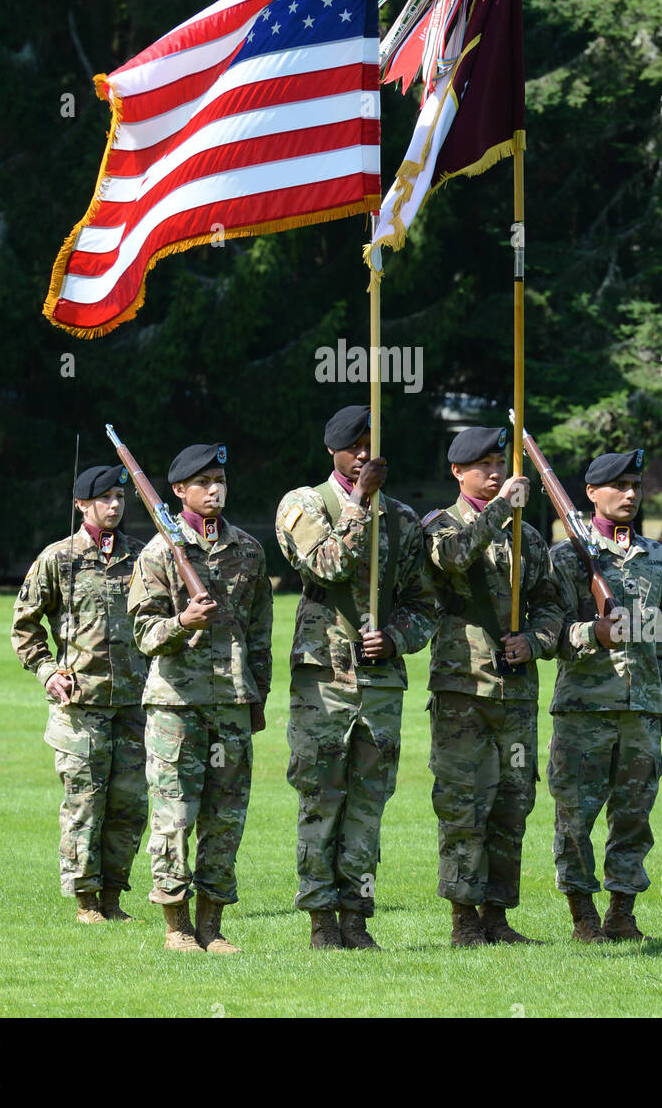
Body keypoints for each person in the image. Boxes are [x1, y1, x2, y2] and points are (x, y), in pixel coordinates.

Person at [275, 404, 435, 951]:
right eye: (353, 445)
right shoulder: (303, 504)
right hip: (324, 678)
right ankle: (321, 918)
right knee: (322, 797)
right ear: (333, 450)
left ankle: (356, 917)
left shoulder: (406, 519)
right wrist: (360, 503)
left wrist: (396, 636)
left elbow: (424, 604)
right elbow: (328, 565)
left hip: (381, 683)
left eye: (372, 444)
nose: (364, 454)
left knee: (369, 803)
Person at [422, 426, 566, 947]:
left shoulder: (527, 534)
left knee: (513, 802)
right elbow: (453, 557)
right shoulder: (440, 524)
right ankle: (463, 919)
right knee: (463, 805)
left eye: (500, 463)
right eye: (483, 466)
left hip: (516, 692)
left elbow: (551, 601)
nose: (496, 473)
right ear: (458, 472)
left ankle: (497, 916)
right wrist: (500, 509)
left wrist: (536, 640)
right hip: (463, 688)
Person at [128, 442, 272, 954]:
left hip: (231, 701)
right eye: (204, 483)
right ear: (179, 491)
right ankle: (175, 925)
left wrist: (258, 696)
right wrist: (181, 622)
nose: (215, 491)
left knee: (226, 816)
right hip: (176, 702)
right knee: (173, 814)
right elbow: (144, 633)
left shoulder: (250, 551)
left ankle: (212, 924)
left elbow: (259, 633)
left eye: (221, 482)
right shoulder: (157, 553)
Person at [546, 449, 662, 942]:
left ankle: (622, 912)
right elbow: (547, 633)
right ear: (591, 494)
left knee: (634, 817)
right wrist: (590, 635)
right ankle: (582, 915)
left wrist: (661, 701)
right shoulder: (565, 558)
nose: (630, 495)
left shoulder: (656, 556)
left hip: (640, 709)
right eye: (619, 486)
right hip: (583, 709)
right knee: (574, 818)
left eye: (636, 486)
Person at [10, 463, 148, 924]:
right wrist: (46, 670)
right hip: (81, 706)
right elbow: (25, 625)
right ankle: (86, 901)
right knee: (85, 803)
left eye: (119, 497)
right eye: (104, 498)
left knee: (129, 805)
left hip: (134, 703)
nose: (113, 505)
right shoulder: (58, 559)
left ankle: (113, 896)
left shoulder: (142, 556)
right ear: (81, 505)